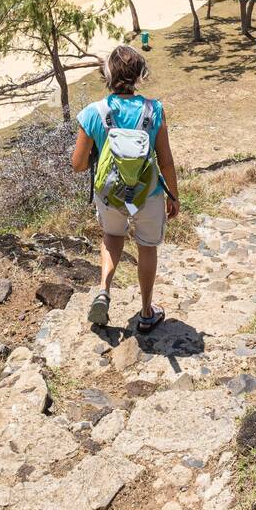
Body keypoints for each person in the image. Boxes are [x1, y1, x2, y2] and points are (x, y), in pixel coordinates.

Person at [71, 44, 180, 333]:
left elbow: (78, 164)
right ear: (140, 75)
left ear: (107, 75)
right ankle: (146, 311)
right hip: (149, 193)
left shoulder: (94, 112)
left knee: (112, 236)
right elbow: (166, 161)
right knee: (146, 246)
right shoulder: (154, 110)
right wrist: (174, 196)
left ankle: (104, 290)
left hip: (109, 193)